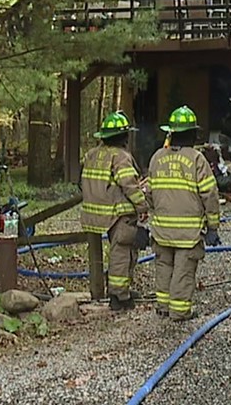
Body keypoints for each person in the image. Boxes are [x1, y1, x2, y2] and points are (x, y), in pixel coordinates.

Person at [146, 106, 221, 321]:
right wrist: (213, 227)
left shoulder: (156, 157)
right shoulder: (197, 159)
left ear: (171, 133)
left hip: (161, 229)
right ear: (192, 134)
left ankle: (162, 305)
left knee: (163, 265)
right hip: (188, 232)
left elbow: (149, 194)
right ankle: (179, 310)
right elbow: (210, 195)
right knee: (183, 268)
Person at [79, 111, 148, 311]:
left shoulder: (92, 154)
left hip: (93, 213)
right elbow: (129, 185)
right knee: (122, 251)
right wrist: (142, 205)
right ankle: (119, 297)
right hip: (117, 213)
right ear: (123, 136)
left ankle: (111, 288)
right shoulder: (120, 157)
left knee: (112, 253)